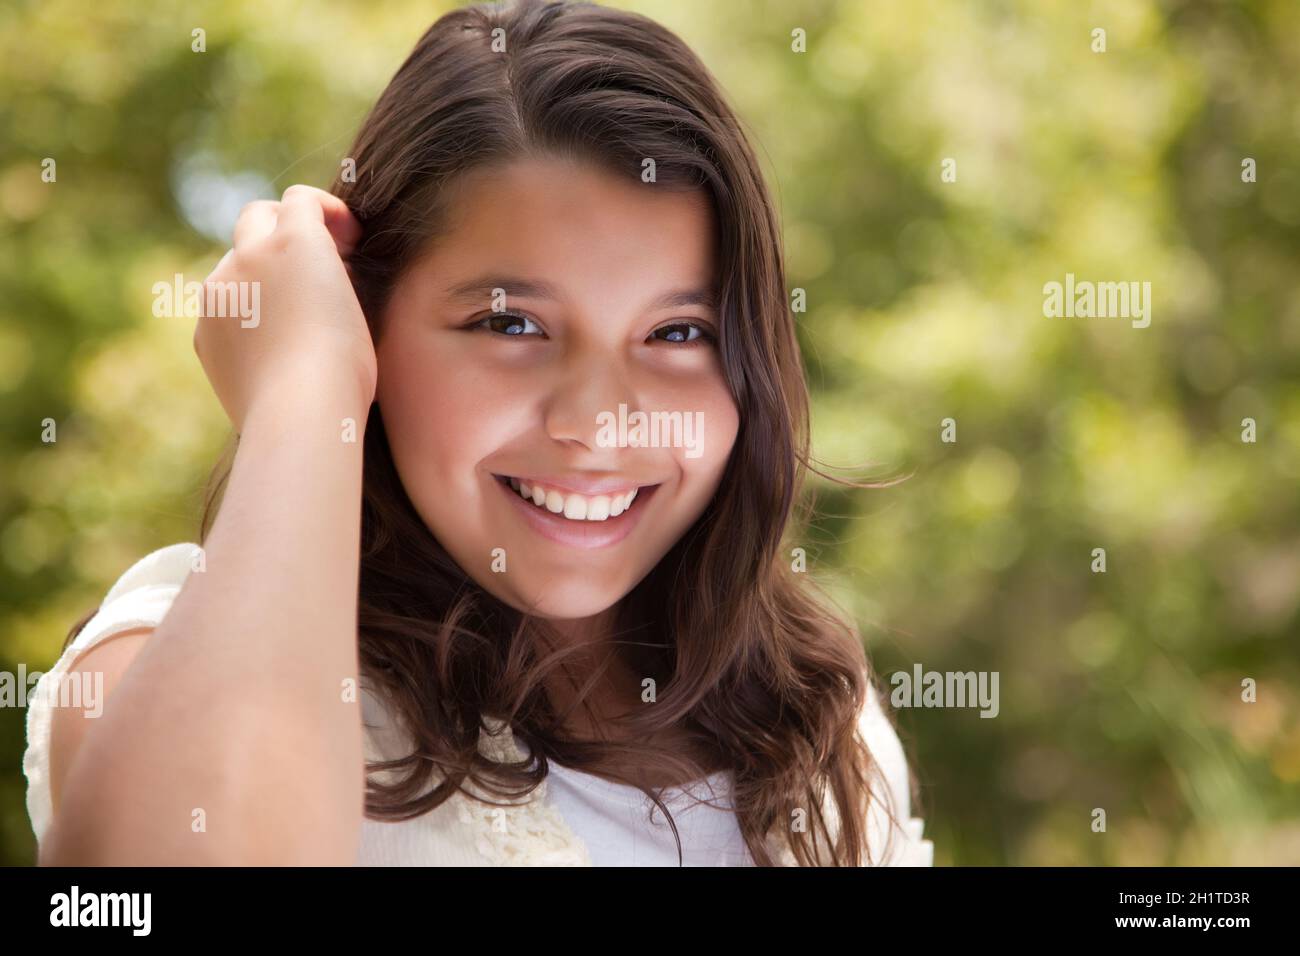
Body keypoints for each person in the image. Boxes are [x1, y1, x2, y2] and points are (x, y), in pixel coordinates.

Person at [24, 0, 933, 867]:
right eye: (511, 325)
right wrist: (303, 391)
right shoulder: (162, 658)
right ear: (364, 318)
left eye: (677, 334)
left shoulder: (816, 728)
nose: (597, 421)